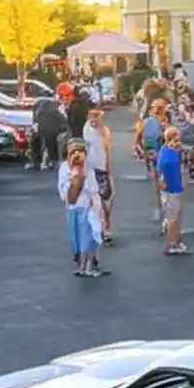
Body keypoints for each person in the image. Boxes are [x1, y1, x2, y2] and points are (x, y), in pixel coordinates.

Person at [58, 138, 105, 277]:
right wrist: (75, 180)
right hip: (73, 209)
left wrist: (99, 211)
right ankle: (80, 265)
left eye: (80, 152)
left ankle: (88, 265)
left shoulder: (88, 170)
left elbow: (93, 191)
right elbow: (65, 194)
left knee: (88, 238)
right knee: (76, 239)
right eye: (74, 152)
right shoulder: (65, 169)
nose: (77, 155)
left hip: (87, 208)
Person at [133, 99, 166, 233]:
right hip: (154, 154)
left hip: (161, 155)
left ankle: (163, 210)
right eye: (156, 107)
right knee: (159, 184)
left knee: (161, 184)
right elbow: (137, 139)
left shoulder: (165, 122)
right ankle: (162, 210)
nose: (157, 110)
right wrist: (142, 152)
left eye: (159, 107)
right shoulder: (147, 122)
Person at [156, 127, 189, 255]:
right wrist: (162, 182)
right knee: (172, 218)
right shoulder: (166, 152)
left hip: (177, 187)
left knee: (177, 217)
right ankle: (171, 243)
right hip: (170, 189)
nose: (178, 139)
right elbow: (161, 170)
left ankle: (177, 241)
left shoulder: (174, 151)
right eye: (176, 137)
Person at [83, 108, 114, 245]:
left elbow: (107, 150)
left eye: (99, 118)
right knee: (95, 200)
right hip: (91, 169)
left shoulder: (104, 131)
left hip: (101, 169)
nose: (96, 120)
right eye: (93, 117)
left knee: (106, 198)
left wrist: (108, 167)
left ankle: (106, 226)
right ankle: (100, 229)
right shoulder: (87, 130)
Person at [31, 96, 68, 169]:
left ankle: (44, 162)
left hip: (50, 133)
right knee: (47, 145)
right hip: (52, 133)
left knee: (46, 145)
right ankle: (49, 161)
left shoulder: (41, 112)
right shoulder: (54, 112)